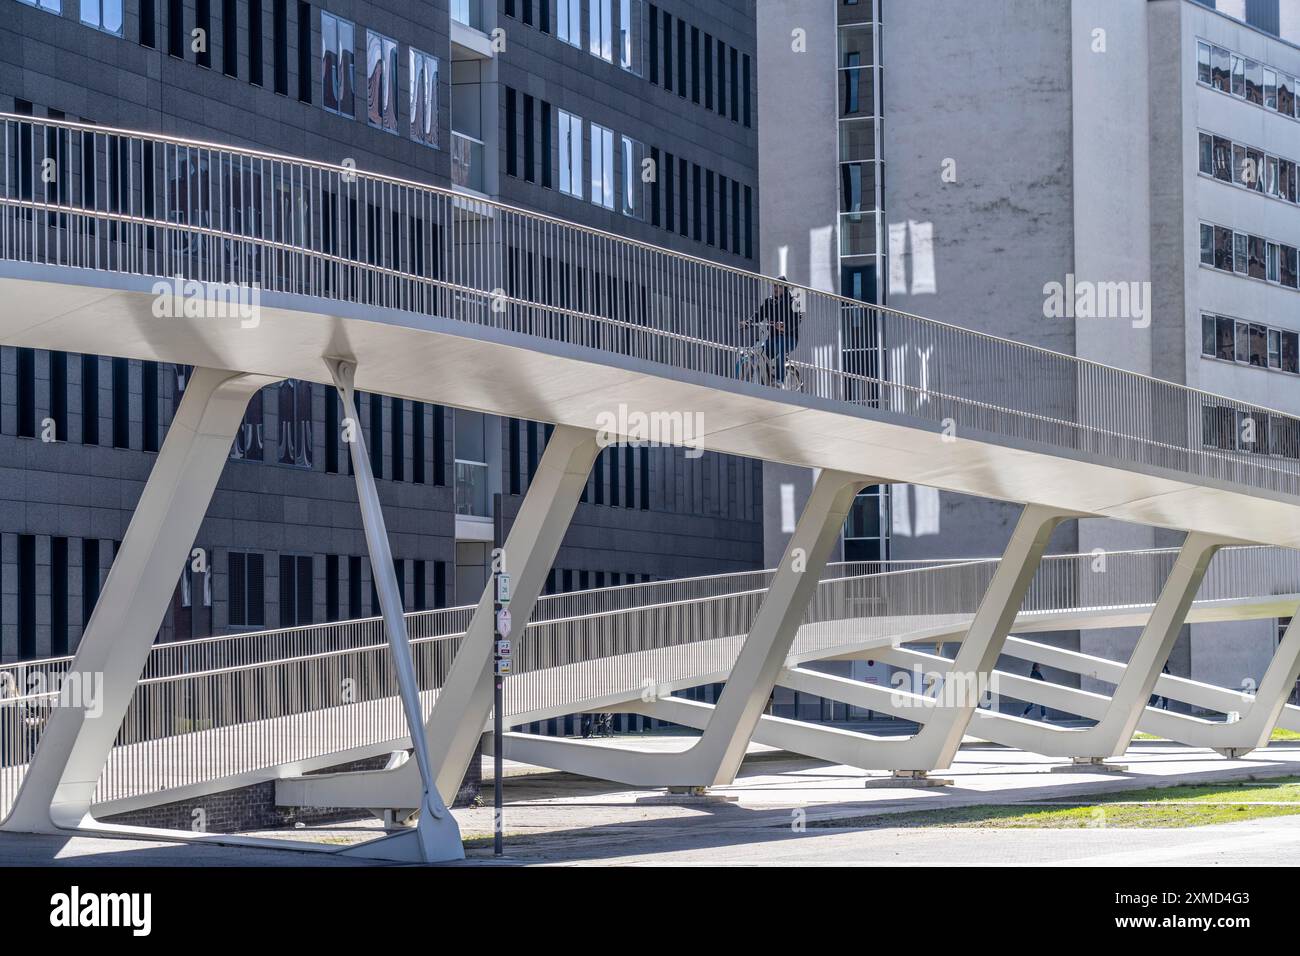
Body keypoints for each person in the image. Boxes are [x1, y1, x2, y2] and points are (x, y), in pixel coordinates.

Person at [748, 277, 800, 387]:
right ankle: (764, 378)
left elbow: (798, 319)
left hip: (789, 338)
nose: (776, 288)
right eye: (775, 286)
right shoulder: (769, 302)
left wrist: (785, 327)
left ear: (785, 288)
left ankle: (779, 380)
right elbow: (759, 314)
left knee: (781, 347)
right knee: (758, 351)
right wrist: (749, 322)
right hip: (772, 339)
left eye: (779, 286)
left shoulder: (793, 300)